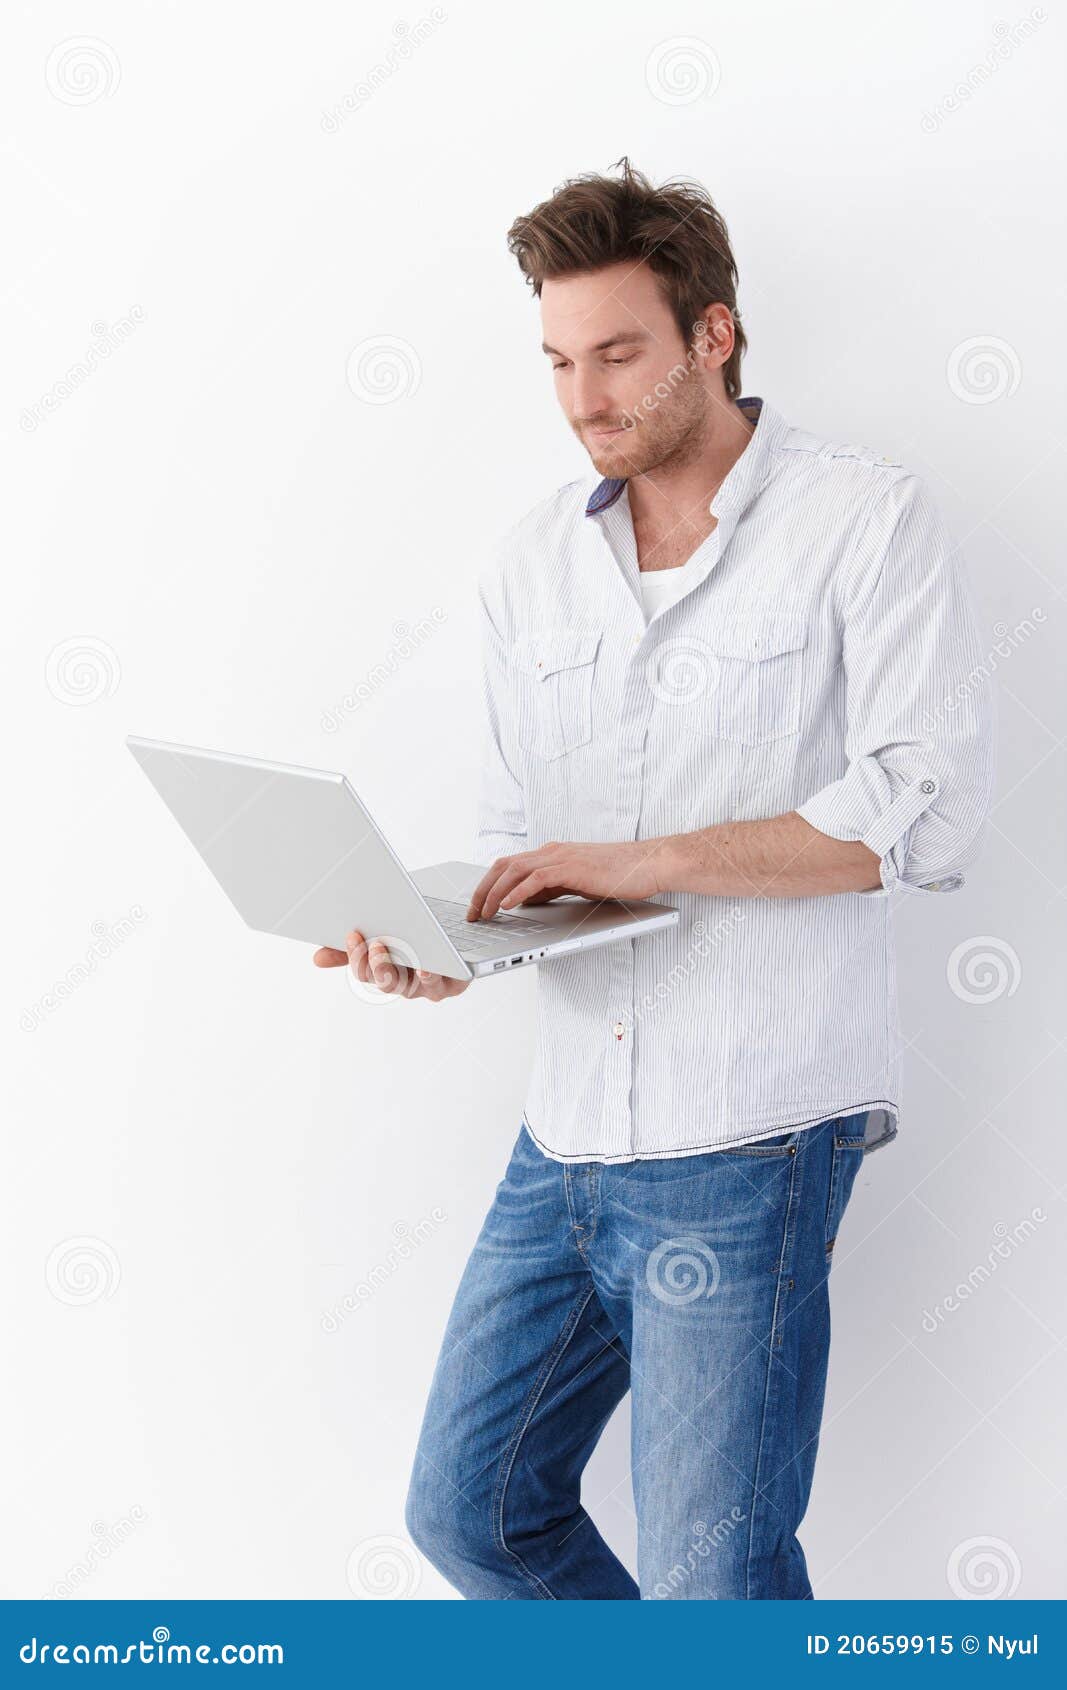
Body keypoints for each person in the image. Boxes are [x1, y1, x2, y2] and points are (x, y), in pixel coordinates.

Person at [314, 158, 993, 1598]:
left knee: (714, 1589)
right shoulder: (531, 567)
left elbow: (921, 819)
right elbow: (529, 850)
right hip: (564, 1137)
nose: (584, 397)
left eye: (618, 352)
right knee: (476, 1516)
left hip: (747, 1139)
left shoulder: (863, 519)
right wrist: (451, 950)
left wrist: (653, 857)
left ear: (712, 334)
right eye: (559, 361)